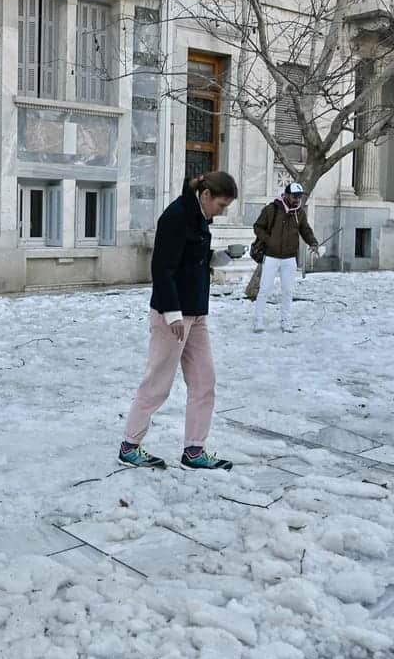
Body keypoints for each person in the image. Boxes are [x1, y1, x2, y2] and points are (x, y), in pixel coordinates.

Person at [119, 171, 239, 470]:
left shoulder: (199, 215)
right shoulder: (176, 216)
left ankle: (194, 451)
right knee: (157, 382)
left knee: (204, 381)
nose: (222, 212)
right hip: (171, 315)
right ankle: (129, 445)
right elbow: (162, 268)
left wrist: (220, 257)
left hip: (196, 313)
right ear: (207, 195)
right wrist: (171, 313)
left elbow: (191, 257)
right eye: (222, 206)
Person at [251, 182, 323, 332]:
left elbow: (306, 230)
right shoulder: (271, 209)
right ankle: (258, 321)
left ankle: (286, 321)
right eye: (295, 196)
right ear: (287, 195)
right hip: (271, 256)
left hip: (290, 258)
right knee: (264, 289)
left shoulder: (300, 213)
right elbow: (257, 226)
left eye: (299, 197)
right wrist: (269, 240)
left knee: (288, 291)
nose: (297, 199)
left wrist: (313, 243)